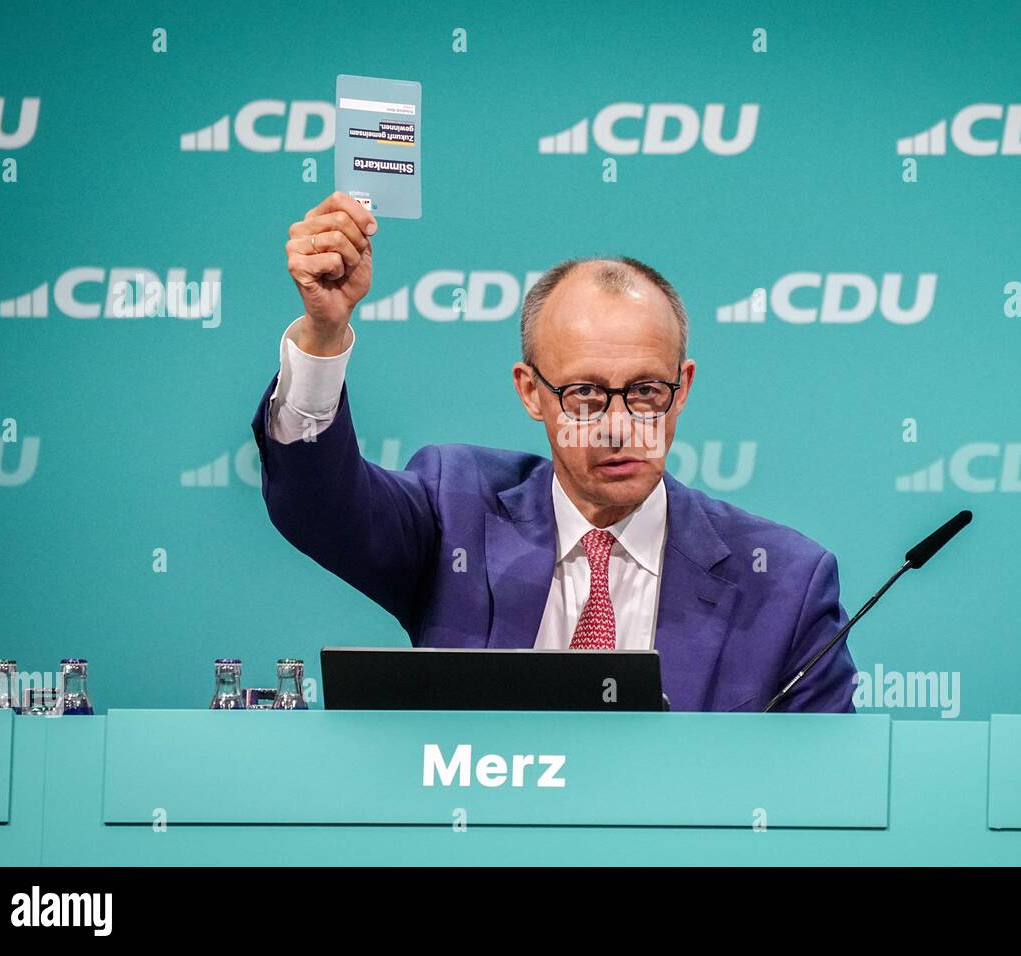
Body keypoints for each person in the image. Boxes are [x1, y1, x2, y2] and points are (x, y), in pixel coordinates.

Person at [250, 192, 856, 712]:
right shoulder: (456, 513)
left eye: (647, 392)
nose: (619, 427)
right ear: (531, 392)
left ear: (684, 388)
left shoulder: (784, 584)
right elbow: (318, 505)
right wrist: (323, 334)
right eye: (586, 394)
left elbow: (824, 796)